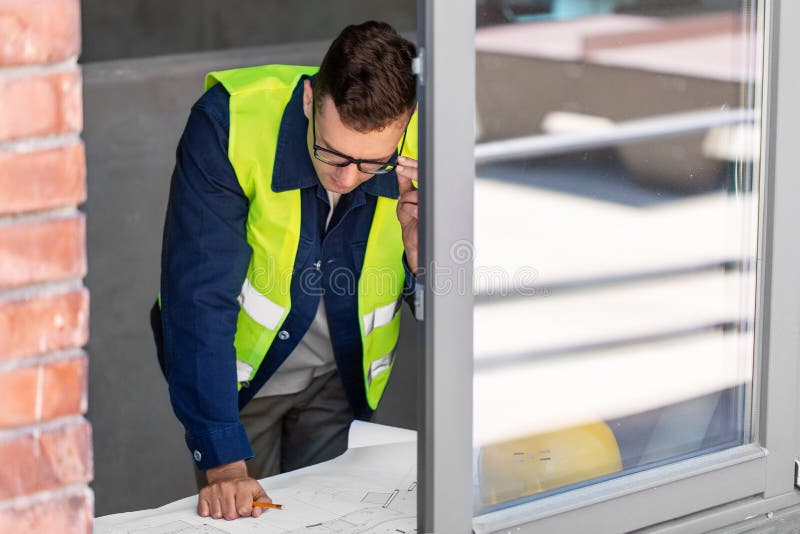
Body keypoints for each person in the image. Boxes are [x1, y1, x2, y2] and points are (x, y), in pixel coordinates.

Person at [150, 21, 420, 521]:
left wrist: (424, 264)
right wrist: (223, 462)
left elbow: (468, 314)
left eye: (371, 164)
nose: (347, 178)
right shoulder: (231, 122)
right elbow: (198, 295)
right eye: (332, 152)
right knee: (247, 518)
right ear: (310, 100)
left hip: (344, 380)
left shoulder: (428, 142)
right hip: (237, 386)